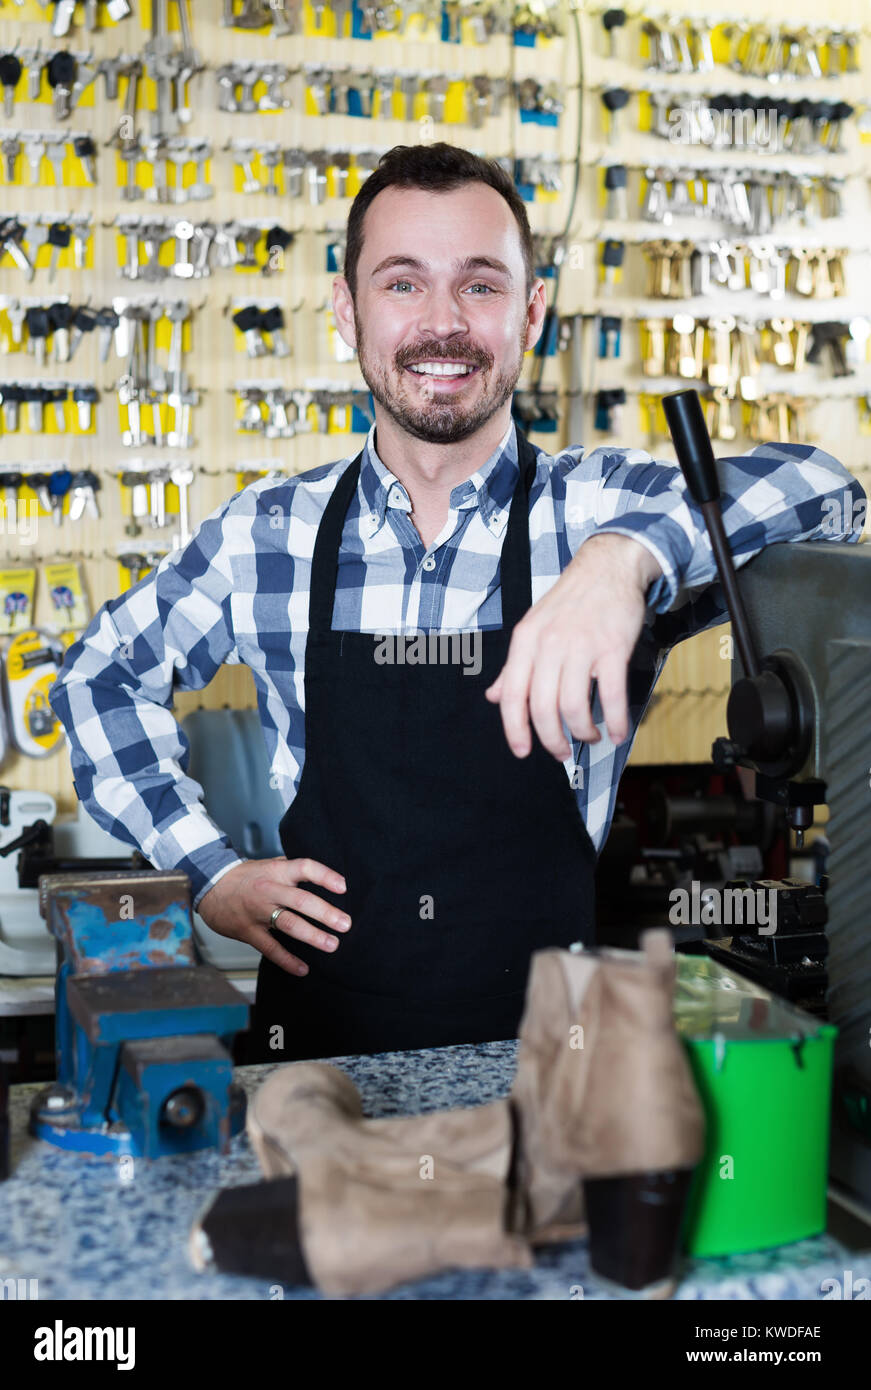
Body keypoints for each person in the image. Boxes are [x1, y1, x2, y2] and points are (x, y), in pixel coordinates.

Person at [50, 142, 864, 1062]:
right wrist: (210, 871)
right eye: (402, 284)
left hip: (547, 1081)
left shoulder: (596, 507)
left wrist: (624, 557)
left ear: (532, 312)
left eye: (479, 286)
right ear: (347, 313)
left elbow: (828, 490)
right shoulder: (263, 535)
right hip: (317, 1074)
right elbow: (95, 679)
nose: (443, 324)